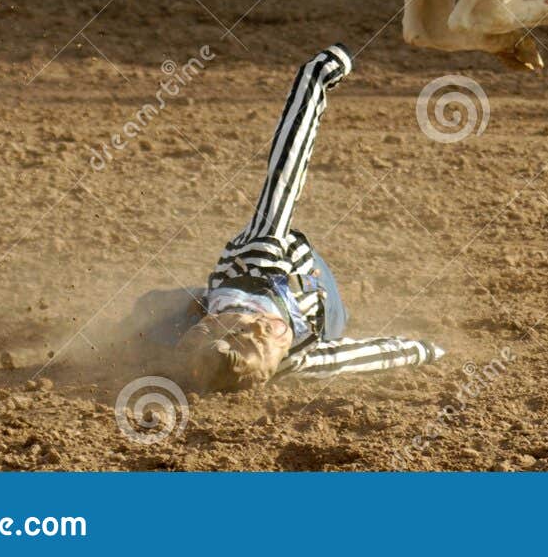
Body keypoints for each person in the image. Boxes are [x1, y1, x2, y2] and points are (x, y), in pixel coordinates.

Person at [124, 45, 445, 391]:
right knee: (163, 329)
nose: (269, 330)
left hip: (268, 273)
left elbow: (285, 171)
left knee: (149, 317)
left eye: (252, 327)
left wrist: (315, 77)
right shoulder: (295, 359)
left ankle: (168, 317)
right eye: (266, 342)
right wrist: (425, 351)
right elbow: (366, 355)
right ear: (271, 368)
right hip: (324, 312)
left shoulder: (261, 254)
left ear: (221, 318)